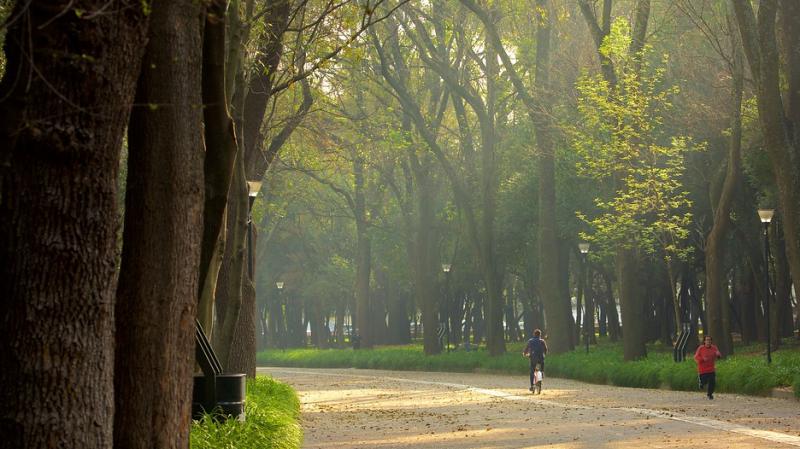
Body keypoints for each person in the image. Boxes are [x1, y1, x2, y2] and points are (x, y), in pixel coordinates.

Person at [694, 335, 722, 400]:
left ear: (711, 341)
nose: (708, 341)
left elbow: (719, 356)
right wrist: (702, 359)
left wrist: (718, 355)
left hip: (711, 369)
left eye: (709, 340)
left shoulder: (714, 348)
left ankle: (710, 394)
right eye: (707, 340)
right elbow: (696, 357)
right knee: (704, 382)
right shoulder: (701, 348)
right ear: (704, 341)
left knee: (712, 382)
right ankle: (701, 383)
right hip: (702, 370)